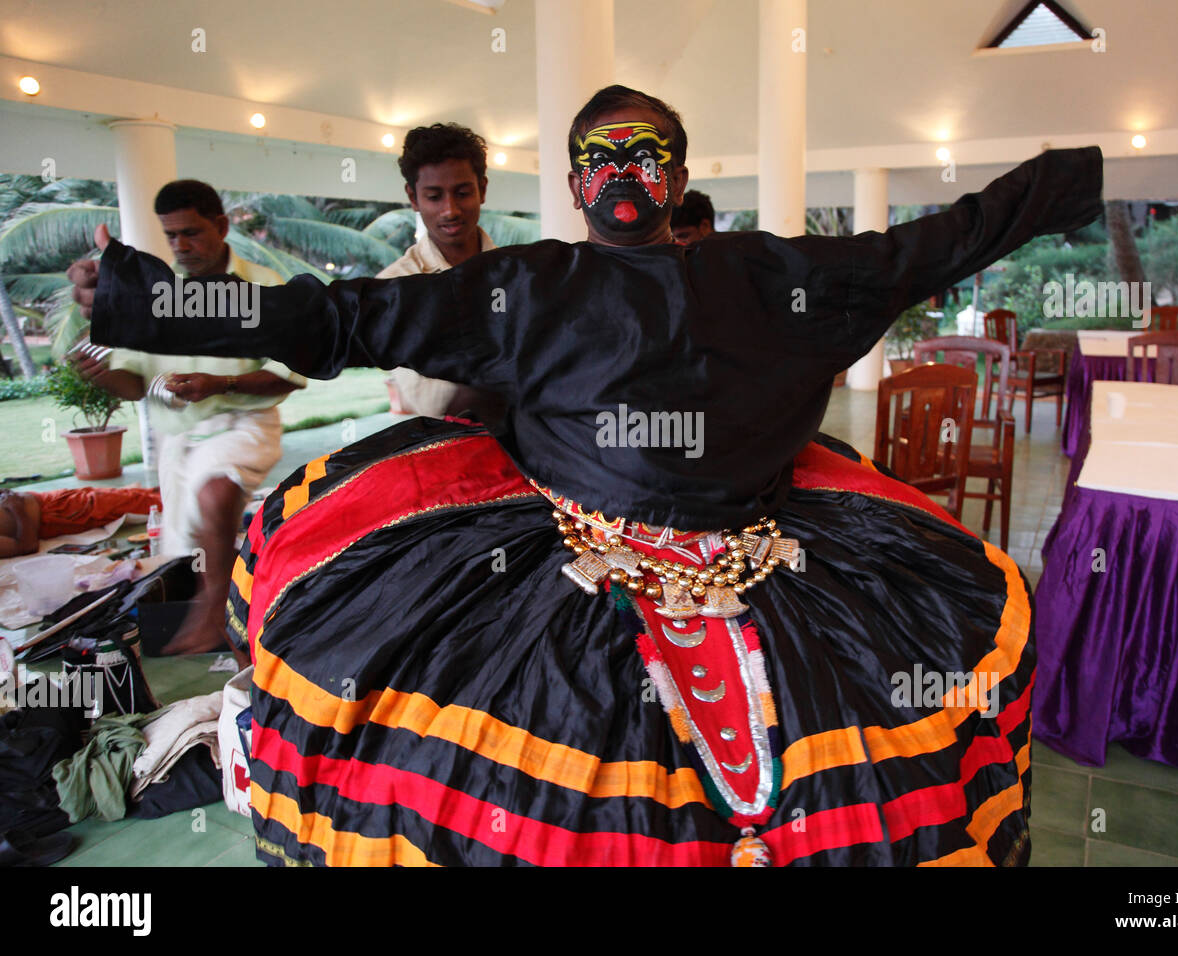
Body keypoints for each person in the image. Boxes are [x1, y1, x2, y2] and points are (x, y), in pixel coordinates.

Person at [71, 85, 1102, 867]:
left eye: (642, 155)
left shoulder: (770, 275)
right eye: (598, 159)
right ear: (571, 184)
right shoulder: (529, 285)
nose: (619, 174)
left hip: (768, 555)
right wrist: (153, 305)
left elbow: (939, 242)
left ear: (677, 173)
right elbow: (334, 318)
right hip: (562, 559)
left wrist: (1060, 180)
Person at [70, 180, 305, 659]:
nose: (181, 245)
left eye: (192, 233)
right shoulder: (159, 295)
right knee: (185, 549)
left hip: (245, 422)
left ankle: (216, 614)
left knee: (214, 494)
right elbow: (137, 384)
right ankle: (239, 614)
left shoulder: (262, 286)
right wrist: (103, 375)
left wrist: (222, 384)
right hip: (178, 439)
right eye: (171, 235)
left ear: (221, 226)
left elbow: (287, 376)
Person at [377, 124, 505, 424]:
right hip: (451, 448)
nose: (450, 210)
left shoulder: (516, 272)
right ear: (413, 197)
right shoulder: (395, 286)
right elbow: (430, 399)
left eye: (462, 193)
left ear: (482, 189)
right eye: (434, 197)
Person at [0, 486, 161, 558]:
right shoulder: (17, 508)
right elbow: (27, 546)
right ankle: (175, 499)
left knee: (119, 495)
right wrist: (16, 507)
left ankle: (165, 491)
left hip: (49, 499)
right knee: (128, 502)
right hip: (56, 514)